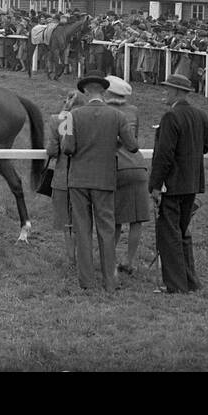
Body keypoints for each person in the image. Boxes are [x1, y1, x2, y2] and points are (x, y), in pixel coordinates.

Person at [62, 72, 138, 292]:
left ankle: (86, 281)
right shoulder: (117, 116)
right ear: (104, 91)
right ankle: (110, 281)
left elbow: (67, 148)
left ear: (85, 91)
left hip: (78, 179)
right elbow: (132, 146)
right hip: (105, 179)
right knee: (106, 230)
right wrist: (112, 143)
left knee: (82, 230)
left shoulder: (72, 116)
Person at [148, 73, 208, 294]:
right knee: (182, 232)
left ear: (176, 91)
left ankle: (175, 284)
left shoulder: (171, 117)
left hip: (172, 185)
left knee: (169, 233)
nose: (165, 93)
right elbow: (204, 147)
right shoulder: (201, 115)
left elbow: (164, 155)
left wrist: (155, 186)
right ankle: (190, 281)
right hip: (192, 183)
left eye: (167, 89)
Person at [105, 76, 150, 277]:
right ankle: (129, 261)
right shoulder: (133, 112)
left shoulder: (106, 112)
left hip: (116, 168)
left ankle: (111, 260)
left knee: (114, 219)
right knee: (136, 219)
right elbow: (135, 140)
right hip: (138, 167)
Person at [45, 91, 84, 267]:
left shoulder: (57, 120)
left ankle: (71, 257)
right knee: (83, 219)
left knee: (67, 221)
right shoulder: (89, 118)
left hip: (63, 175)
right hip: (86, 176)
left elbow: (52, 150)